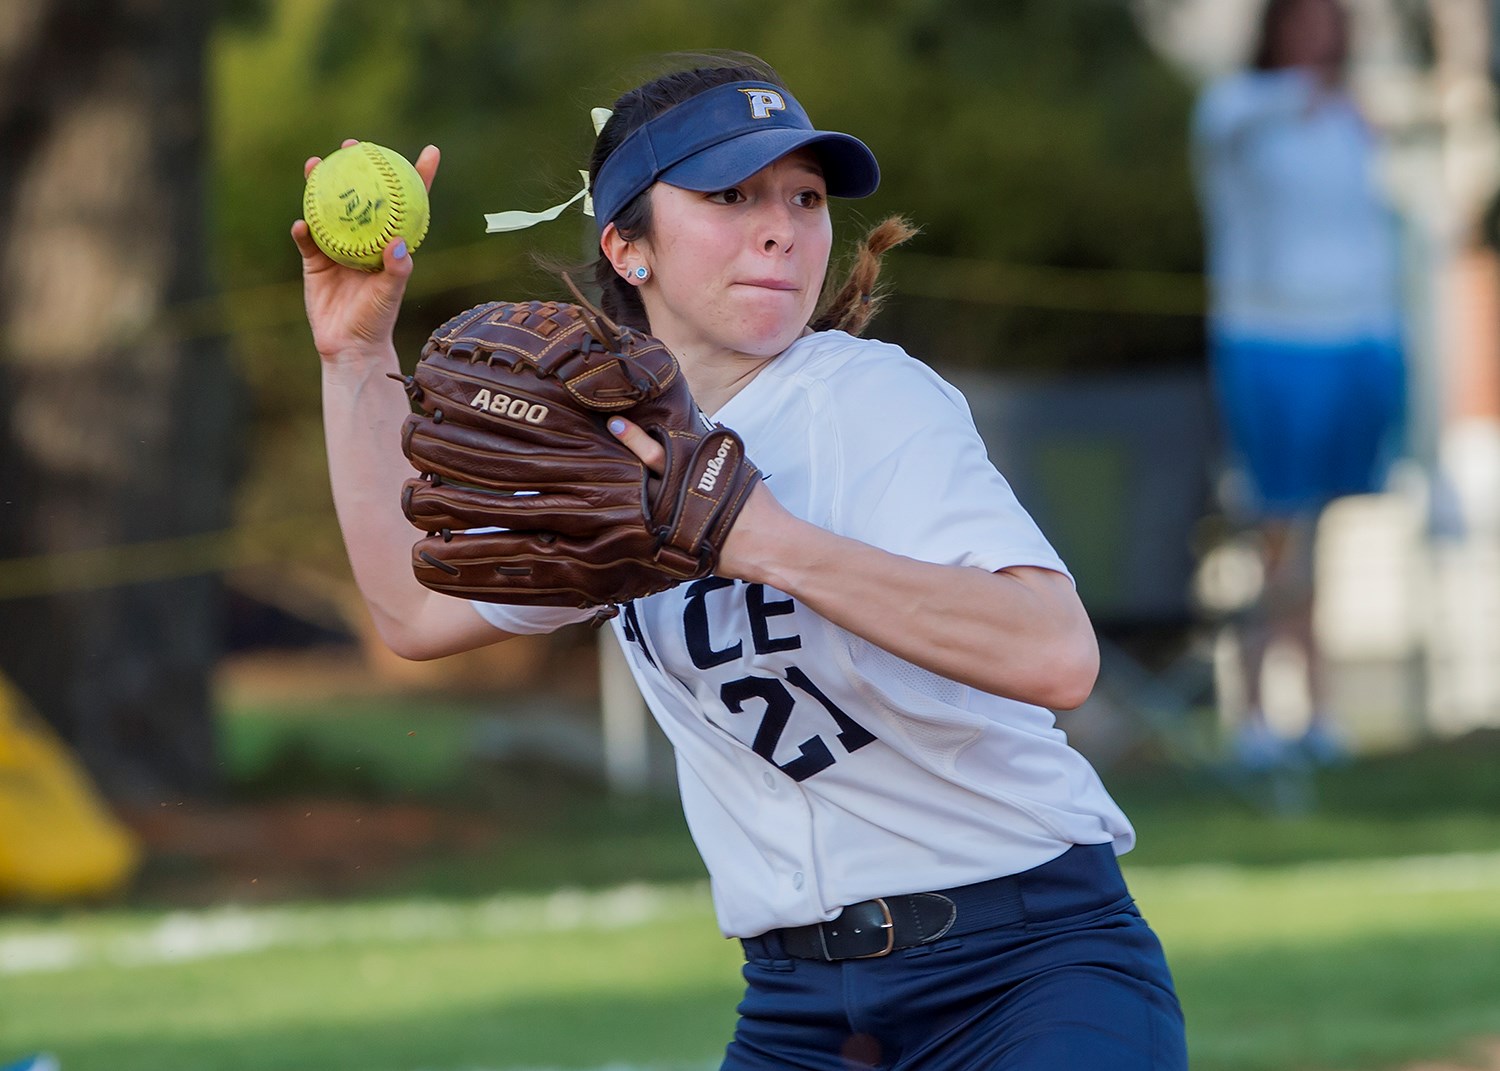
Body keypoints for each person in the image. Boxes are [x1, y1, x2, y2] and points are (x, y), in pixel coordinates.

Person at [293, 54, 1187, 1071]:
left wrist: (755, 536)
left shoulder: (868, 400)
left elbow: (1056, 656)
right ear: (627, 245)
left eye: (804, 197)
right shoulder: (606, 448)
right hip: (801, 1011)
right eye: (730, 194)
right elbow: (413, 612)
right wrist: (357, 357)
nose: (782, 226)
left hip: (1025, 973)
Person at [1191, 0, 1407, 770]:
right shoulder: (1239, 107)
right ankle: (1256, 712)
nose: (1318, 37)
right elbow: (1226, 131)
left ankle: (1316, 706)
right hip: (1270, 344)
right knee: (1273, 528)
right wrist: (1308, 96)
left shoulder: (1356, 122)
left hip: (1354, 341)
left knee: (1321, 536)